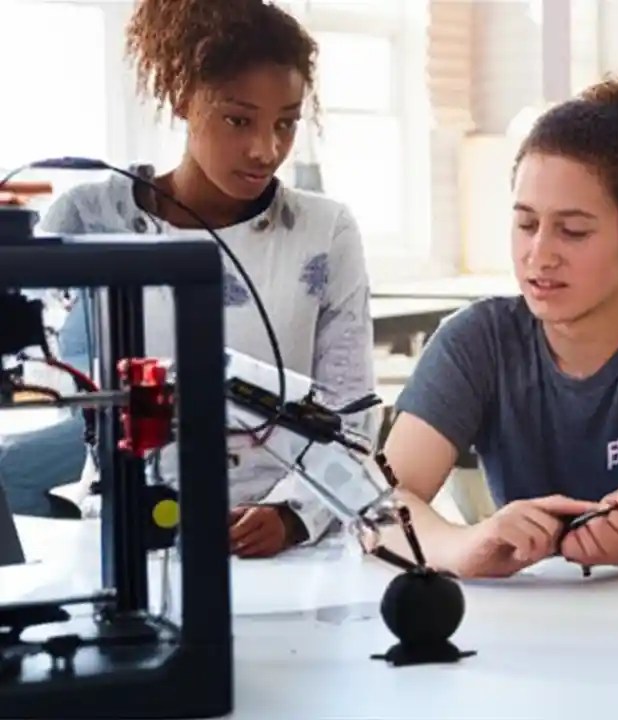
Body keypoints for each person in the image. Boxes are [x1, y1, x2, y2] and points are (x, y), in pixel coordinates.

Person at [1, 0, 375, 558]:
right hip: (127, 543)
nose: (266, 150)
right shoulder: (89, 216)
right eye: (238, 120)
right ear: (183, 96)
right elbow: (34, 360)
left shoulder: (324, 231)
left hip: (286, 549)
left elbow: (352, 413)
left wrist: (293, 515)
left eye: (285, 123)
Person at [381, 66, 618, 580]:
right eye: (526, 224)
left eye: (573, 231)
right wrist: (465, 545)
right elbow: (379, 505)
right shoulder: (478, 340)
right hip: (538, 616)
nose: (539, 255)